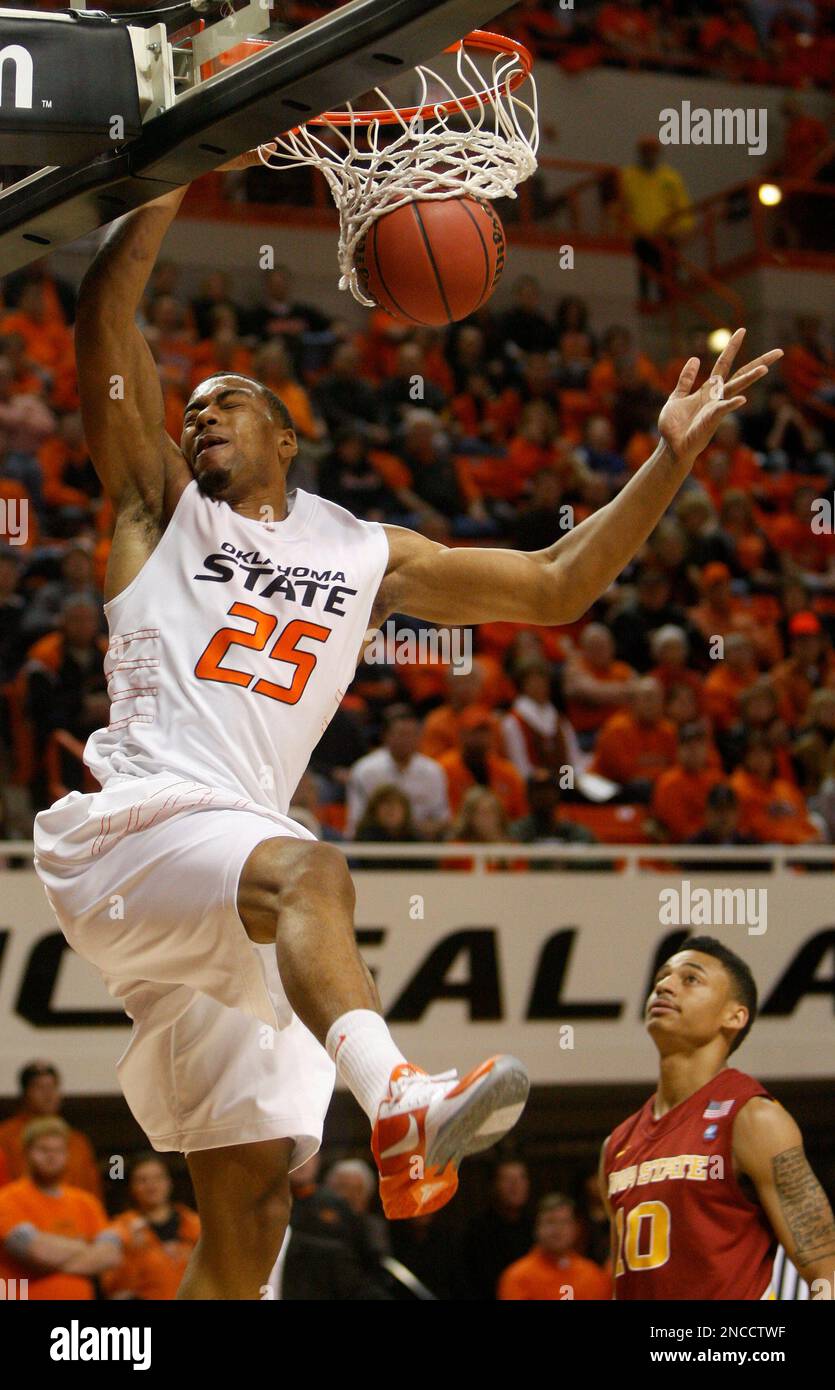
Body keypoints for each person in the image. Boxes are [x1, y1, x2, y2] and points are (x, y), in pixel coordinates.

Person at [30, 151, 782, 1300]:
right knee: (312, 872)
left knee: (251, 1207)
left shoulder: (366, 552)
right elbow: (104, 311)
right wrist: (188, 154)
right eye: (190, 408)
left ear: (290, 436)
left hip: (224, 883)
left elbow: (553, 586)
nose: (199, 414)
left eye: (228, 399)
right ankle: (399, 1099)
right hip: (136, 830)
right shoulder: (157, 508)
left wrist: (668, 457)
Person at [600, 937, 835, 1298]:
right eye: (662, 976)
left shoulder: (753, 1117)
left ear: (734, 1016)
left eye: (690, 979)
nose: (664, 985)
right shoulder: (616, 1144)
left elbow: (826, 1266)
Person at [0, 1118, 119, 1300]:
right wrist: (86, 1247)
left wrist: (51, 1260)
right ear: (26, 1153)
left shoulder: (86, 1202)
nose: (51, 1156)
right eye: (43, 1150)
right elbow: (35, 1251)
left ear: (67, 1154)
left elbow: (111, 1255)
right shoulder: (7, 1199)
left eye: (58, 1150)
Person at [102, 1153, 200, 1300]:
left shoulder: (195, 1224)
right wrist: (133, 1253)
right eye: (142, 1180)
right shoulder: (121, 1229)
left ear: (169, 1182)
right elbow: (115, 1289)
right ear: (131, 1187)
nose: (151, 1186)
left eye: (158, 1178)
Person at [0, 1060, 103, 1198]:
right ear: (25, 1094)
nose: (48, 1095)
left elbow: (92, 1192)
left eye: (52, 1087)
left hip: (71, 1213)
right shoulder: (5, 1136)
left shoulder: (77, 1141)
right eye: (39, 1088)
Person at [346, 704, 450, 839]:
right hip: (375, 842)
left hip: (420, 842)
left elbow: (442, 819)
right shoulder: (365, 770)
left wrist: (410, 828)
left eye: (412, 734)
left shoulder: (433, 771)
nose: (406, 740)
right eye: (401, 734)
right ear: (386, 736)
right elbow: (356, 822)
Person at [497, 1193, 612, 1300]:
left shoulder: (594, 1276)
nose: (558, 1229)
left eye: (564, 1222)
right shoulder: (518, 1277)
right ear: (537, 1227)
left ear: (576, 1228)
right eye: (550, 1222)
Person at [457, 1158, 535, 1300]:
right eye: (507, 1179)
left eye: (521, 1178)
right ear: (493, 1186)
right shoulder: (477, 1230)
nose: (516, 1185)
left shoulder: (536, 1226)